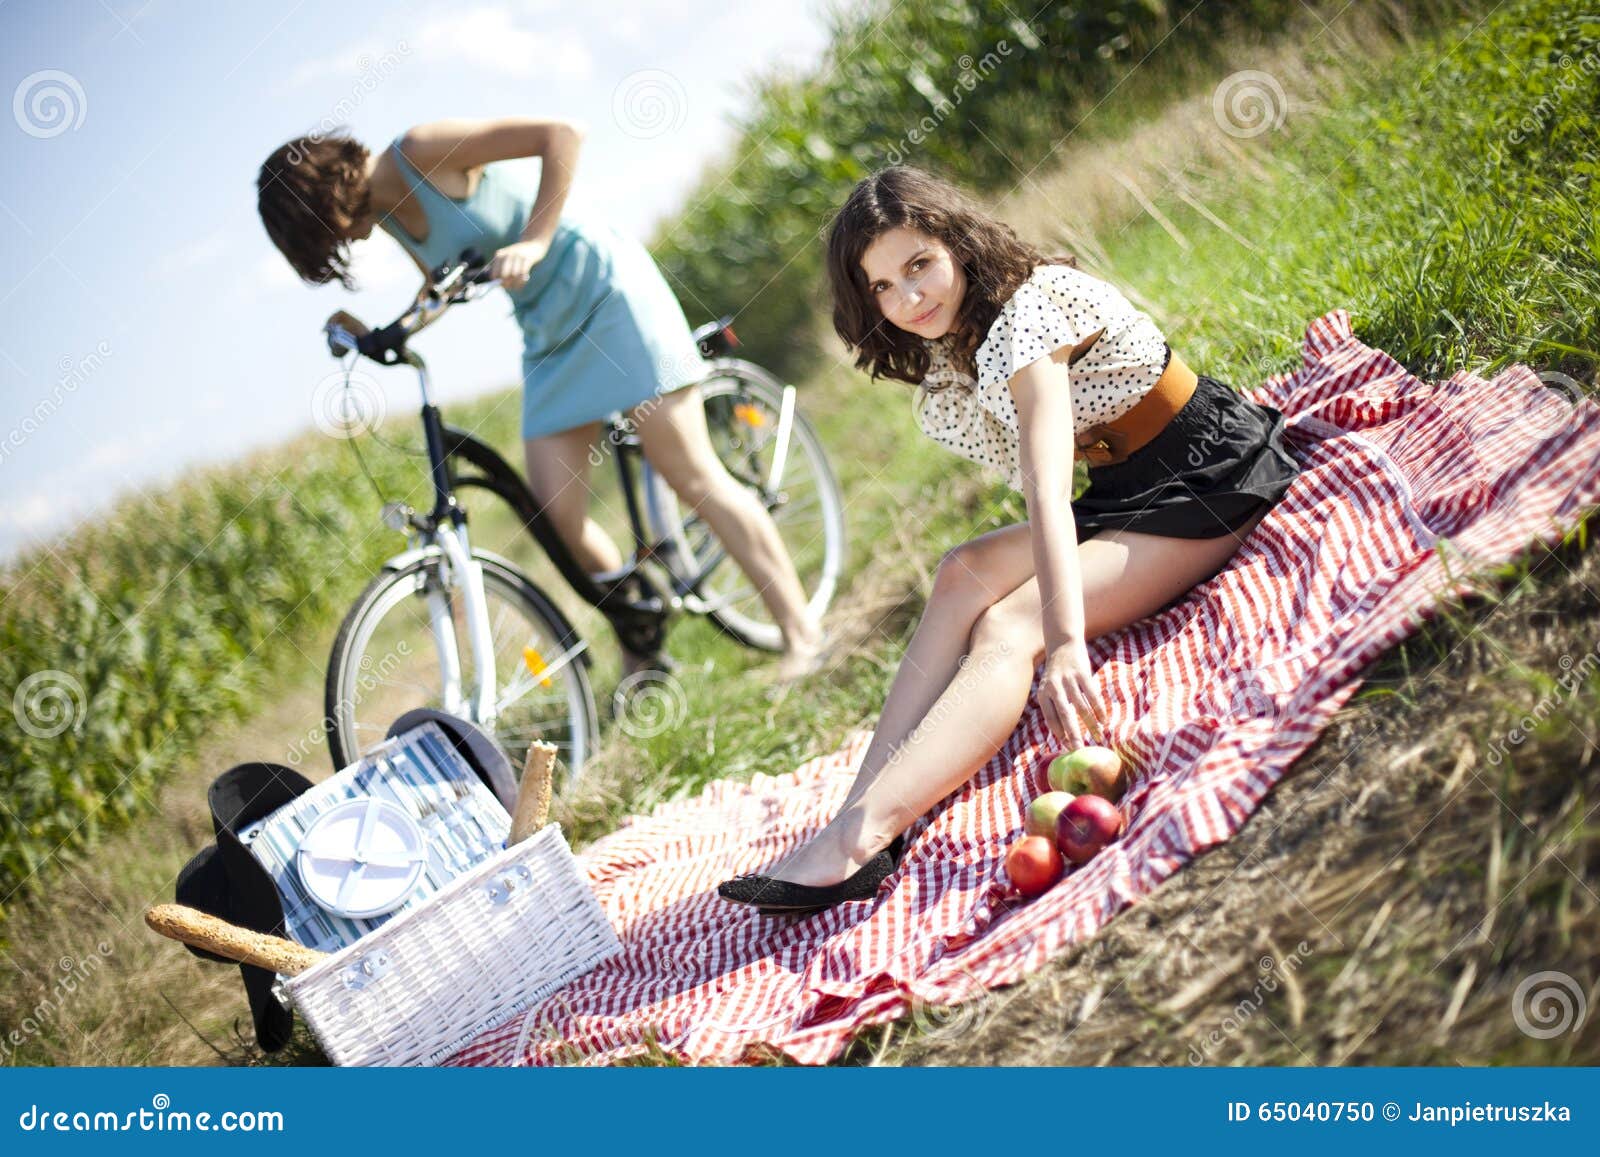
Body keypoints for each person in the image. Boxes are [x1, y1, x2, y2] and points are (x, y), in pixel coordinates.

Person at [718, 165, 1302, 914]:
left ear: (956, 243)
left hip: (1206, 473)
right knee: (961, 569)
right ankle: (856, 817)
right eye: (882, 287)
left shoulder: (1029, 315)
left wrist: (1065, 643)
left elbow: (1046, 486)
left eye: (919, 265)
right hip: (1125, 489)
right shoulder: (959, 347)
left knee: (1010, 623)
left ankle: (861, 838)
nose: (908, 299)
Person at [256, 117, 827, 680]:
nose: (336, 247)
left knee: (692, 476)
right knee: (557, 519)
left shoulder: (419, 149)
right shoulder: (387, 215)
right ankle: (645, 639)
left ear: (324, 197)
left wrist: (534, 240)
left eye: (318, 236)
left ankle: (802, 634)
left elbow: (562, 135)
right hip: (547, 330)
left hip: (606, 292)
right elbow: (440, 284)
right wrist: (385, 332)